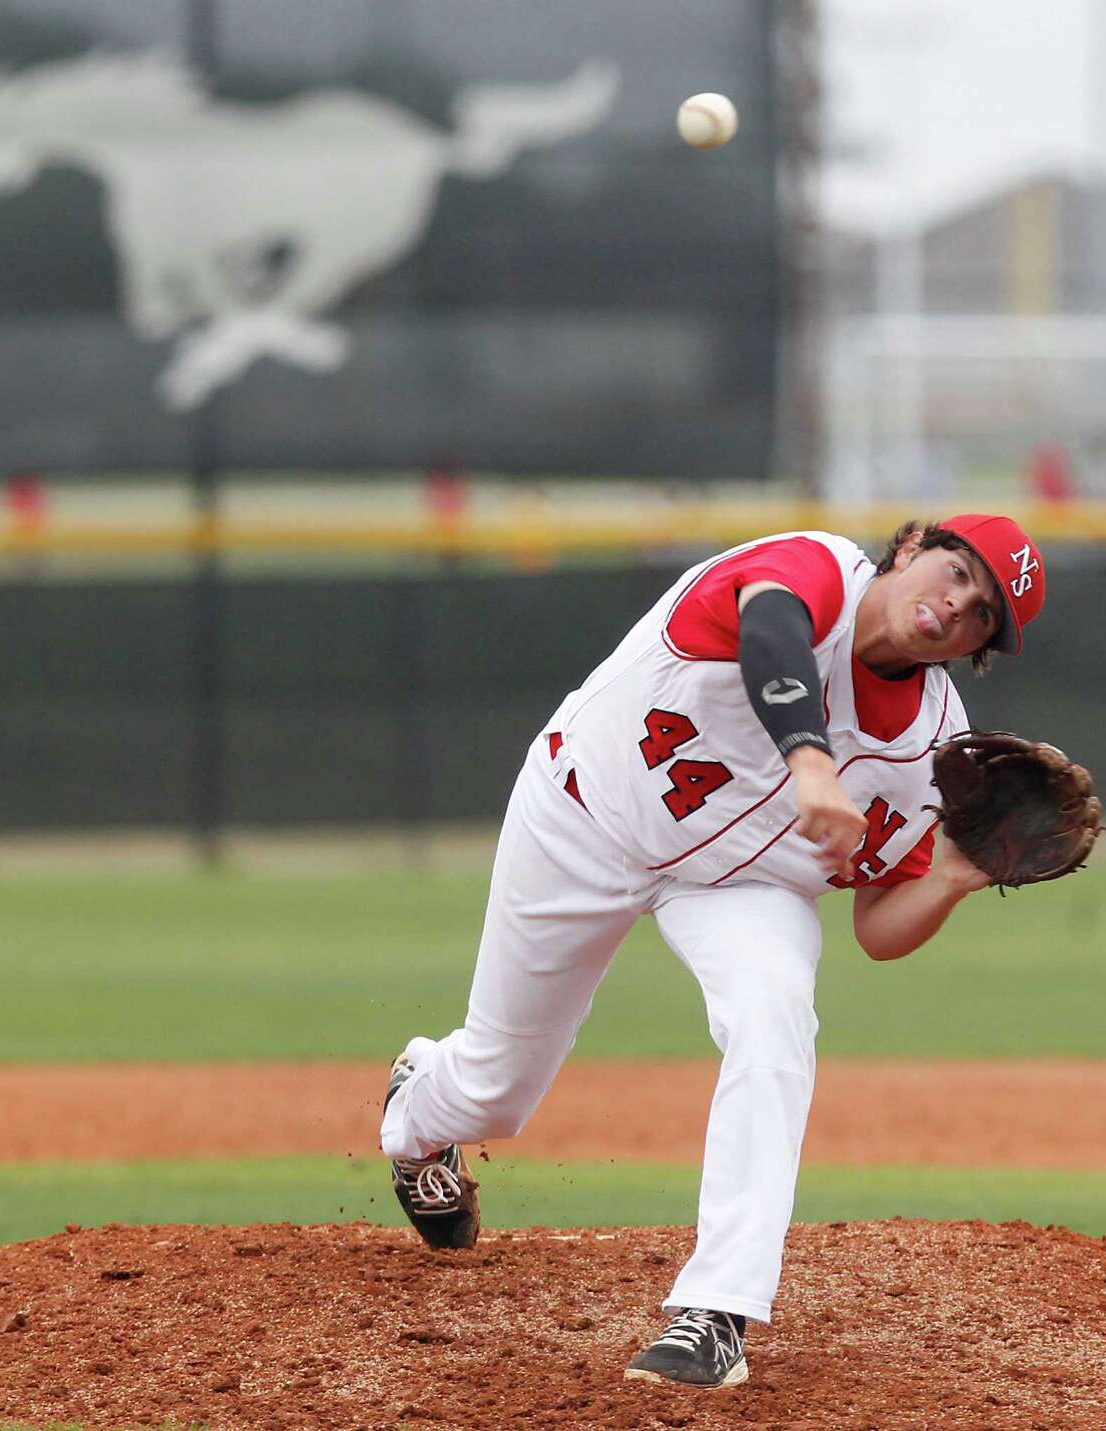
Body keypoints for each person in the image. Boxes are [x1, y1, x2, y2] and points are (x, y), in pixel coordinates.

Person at [379, 513, 1045, 1389]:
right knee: (495, 1090)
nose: (956, 605)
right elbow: (771, 627)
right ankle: (417, 1123)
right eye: (956, 571)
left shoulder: (931, 748)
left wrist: (952, 878)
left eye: (982, 613)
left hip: (739, 885)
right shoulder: (811, 569)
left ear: (980, 644)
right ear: (914, 548)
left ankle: (718, 1311)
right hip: (587, 810)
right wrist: (811, 761)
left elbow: (879, 929)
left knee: (776, 1015)